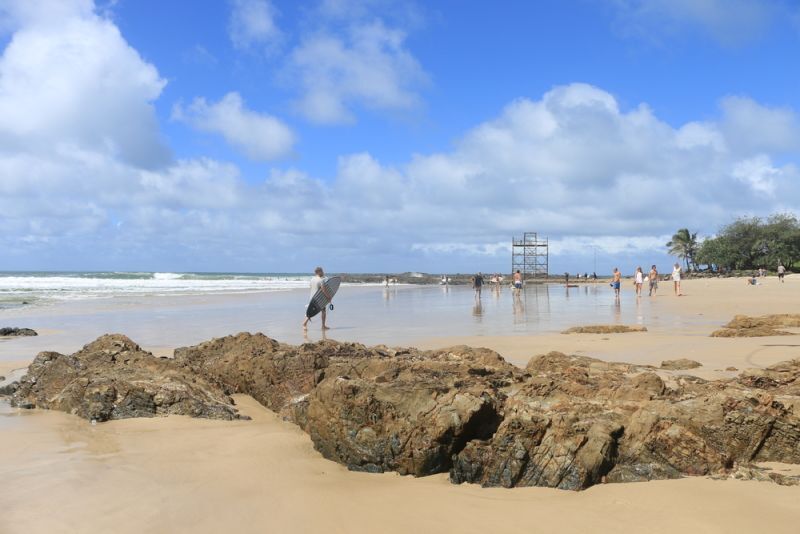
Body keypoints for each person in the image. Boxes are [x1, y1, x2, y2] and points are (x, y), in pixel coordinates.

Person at [302, 267, 331, 331]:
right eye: (322, 271)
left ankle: (322, 325)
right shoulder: (321, 280)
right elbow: (324, 290)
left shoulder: (312, 279)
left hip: (312, 298)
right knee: (323, 311)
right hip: (318, 299)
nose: (323, 272)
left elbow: (311, 287)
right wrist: (328, 297)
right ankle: (305, 323)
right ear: (319, 272)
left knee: (311, 311)